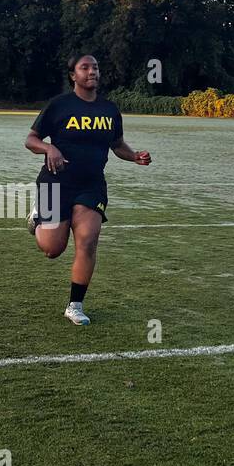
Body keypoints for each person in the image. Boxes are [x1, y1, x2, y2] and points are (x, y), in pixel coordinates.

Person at [25, 54, 152, 325]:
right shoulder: (59, 105)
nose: (92, 71)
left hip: (91, 185)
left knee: (88, 240)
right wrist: (49, 148)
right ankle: (38, 216)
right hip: (54, 183)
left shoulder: (109, 109)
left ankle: (75, 305)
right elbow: (31, 139)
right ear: (73, 75)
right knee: (52, 249)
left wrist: (134, 156)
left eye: (95, 67)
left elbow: (117, 144)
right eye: (85, 67)